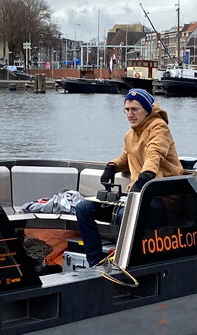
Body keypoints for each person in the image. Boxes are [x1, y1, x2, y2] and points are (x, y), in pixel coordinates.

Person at [74, 88, 183, 266]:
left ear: (147, 110)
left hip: (161, 197)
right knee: (83, 209)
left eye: (135, 110)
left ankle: (129, 264)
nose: (130, 114)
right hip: (137, 194)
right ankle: (95, 263)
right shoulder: (130, 134)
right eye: (127, 110)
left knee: (125, 214)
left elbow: (154, 154)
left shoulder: (159, 128)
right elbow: (127, 157)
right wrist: (112, 166)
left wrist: (145, 177)